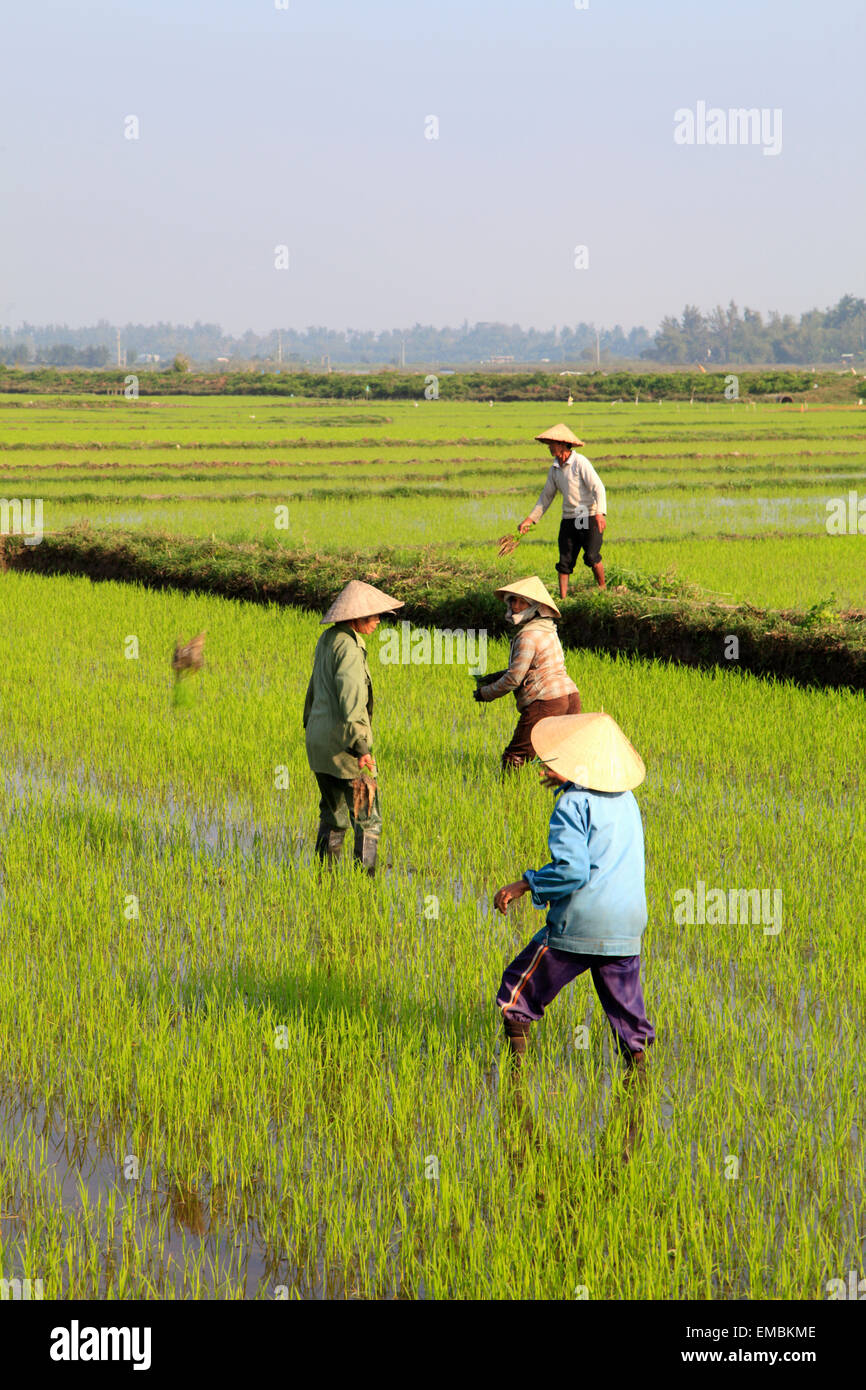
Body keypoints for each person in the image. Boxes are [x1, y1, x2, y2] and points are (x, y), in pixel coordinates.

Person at [492, 711, 654, 1086]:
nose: (549, 763)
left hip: (581, 924)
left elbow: (573, 871)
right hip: (626, 926)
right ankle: (639, 1077)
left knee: (517, 992)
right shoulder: (627, 801)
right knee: (627, 1015)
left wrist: (525, 885)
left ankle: (514, 1081)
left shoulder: (571, 805)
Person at [303, 579, 403, 876]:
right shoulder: (349, 649)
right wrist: (361, 748)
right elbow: (351, 703)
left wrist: (311, 729)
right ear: (356, 617)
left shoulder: (327, 639)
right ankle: (365, 884)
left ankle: (325, 879)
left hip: (320, 745)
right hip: (347, 747)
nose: (377, 621)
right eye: (373, 616)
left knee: (333, 816)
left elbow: (312, 692)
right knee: (367, 816)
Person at [473, 576, 581, 771]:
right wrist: (496, 677)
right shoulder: (548, 629)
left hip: (546, 702)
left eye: (520, 601)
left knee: (515, 757)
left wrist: (485, 693)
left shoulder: (528, 635)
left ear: (533, 605)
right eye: (512, 600)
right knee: (558, 760)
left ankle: (509, 799)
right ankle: (553, 798)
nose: (514, 605)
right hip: (570, 696)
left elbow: (514, 679)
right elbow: (535, 667)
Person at [517, 423, 607, 598]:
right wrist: (530, 519)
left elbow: (598, 487)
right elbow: (546, 496)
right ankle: (563, 598)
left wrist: (600, 513)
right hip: (569, 517)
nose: (550, 447)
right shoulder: (555, 468)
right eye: (549, 444)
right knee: (565, 560)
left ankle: (602, 588)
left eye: (552, 444)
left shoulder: (580, 462)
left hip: (586, 513)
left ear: (563, 444)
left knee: (591, 556)